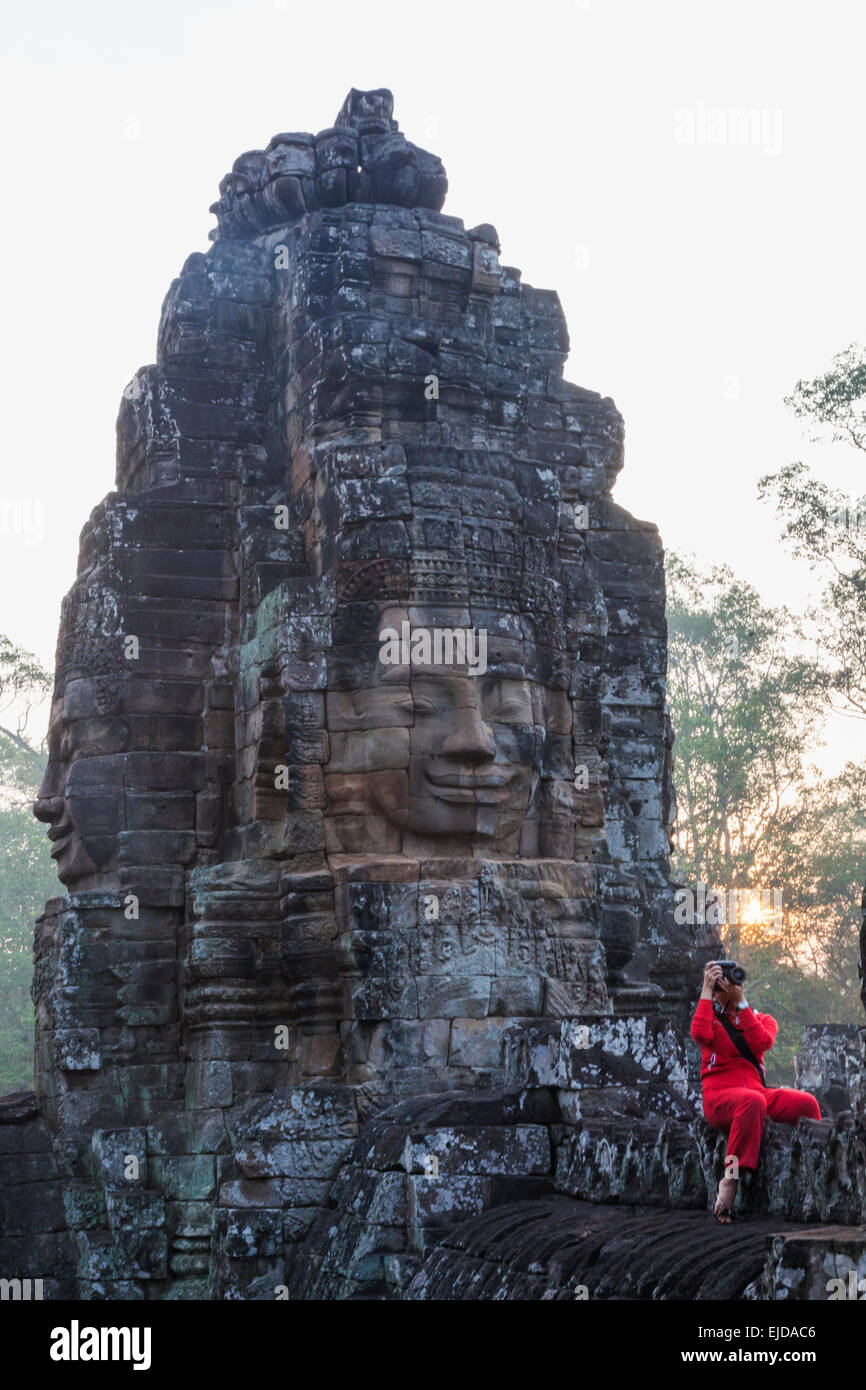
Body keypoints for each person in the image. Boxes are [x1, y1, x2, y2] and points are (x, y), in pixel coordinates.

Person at [690, 961, 821, 1223]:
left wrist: (742, 1005)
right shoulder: (710, 1019)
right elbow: (699, 1033)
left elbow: (762, 1043)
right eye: (720, 984)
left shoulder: (760, 1019)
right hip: (720, 1098)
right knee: (751, 1102)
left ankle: (816, 1170)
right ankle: (730, 1181)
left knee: (807, 1103)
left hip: (758, 1094)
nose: (727, 986)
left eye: (733, 982)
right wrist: (706, 991)